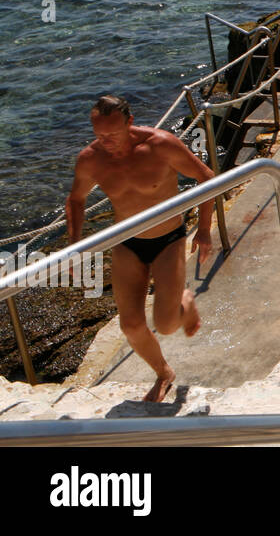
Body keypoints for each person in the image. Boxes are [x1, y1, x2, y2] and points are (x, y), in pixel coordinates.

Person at [65, 96, 214, 403]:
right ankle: (163, 373)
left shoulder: (160, 145)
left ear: (130, 122)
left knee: (166, 325)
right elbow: (76, 199)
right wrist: (74, 246)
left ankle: (185, 302)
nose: (106, 141)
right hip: (127, 242)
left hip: (168, 239)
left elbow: (206, 177)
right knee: (131, 325)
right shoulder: (91, 159)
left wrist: (203, 230)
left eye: (113, 134)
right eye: (99, 135)